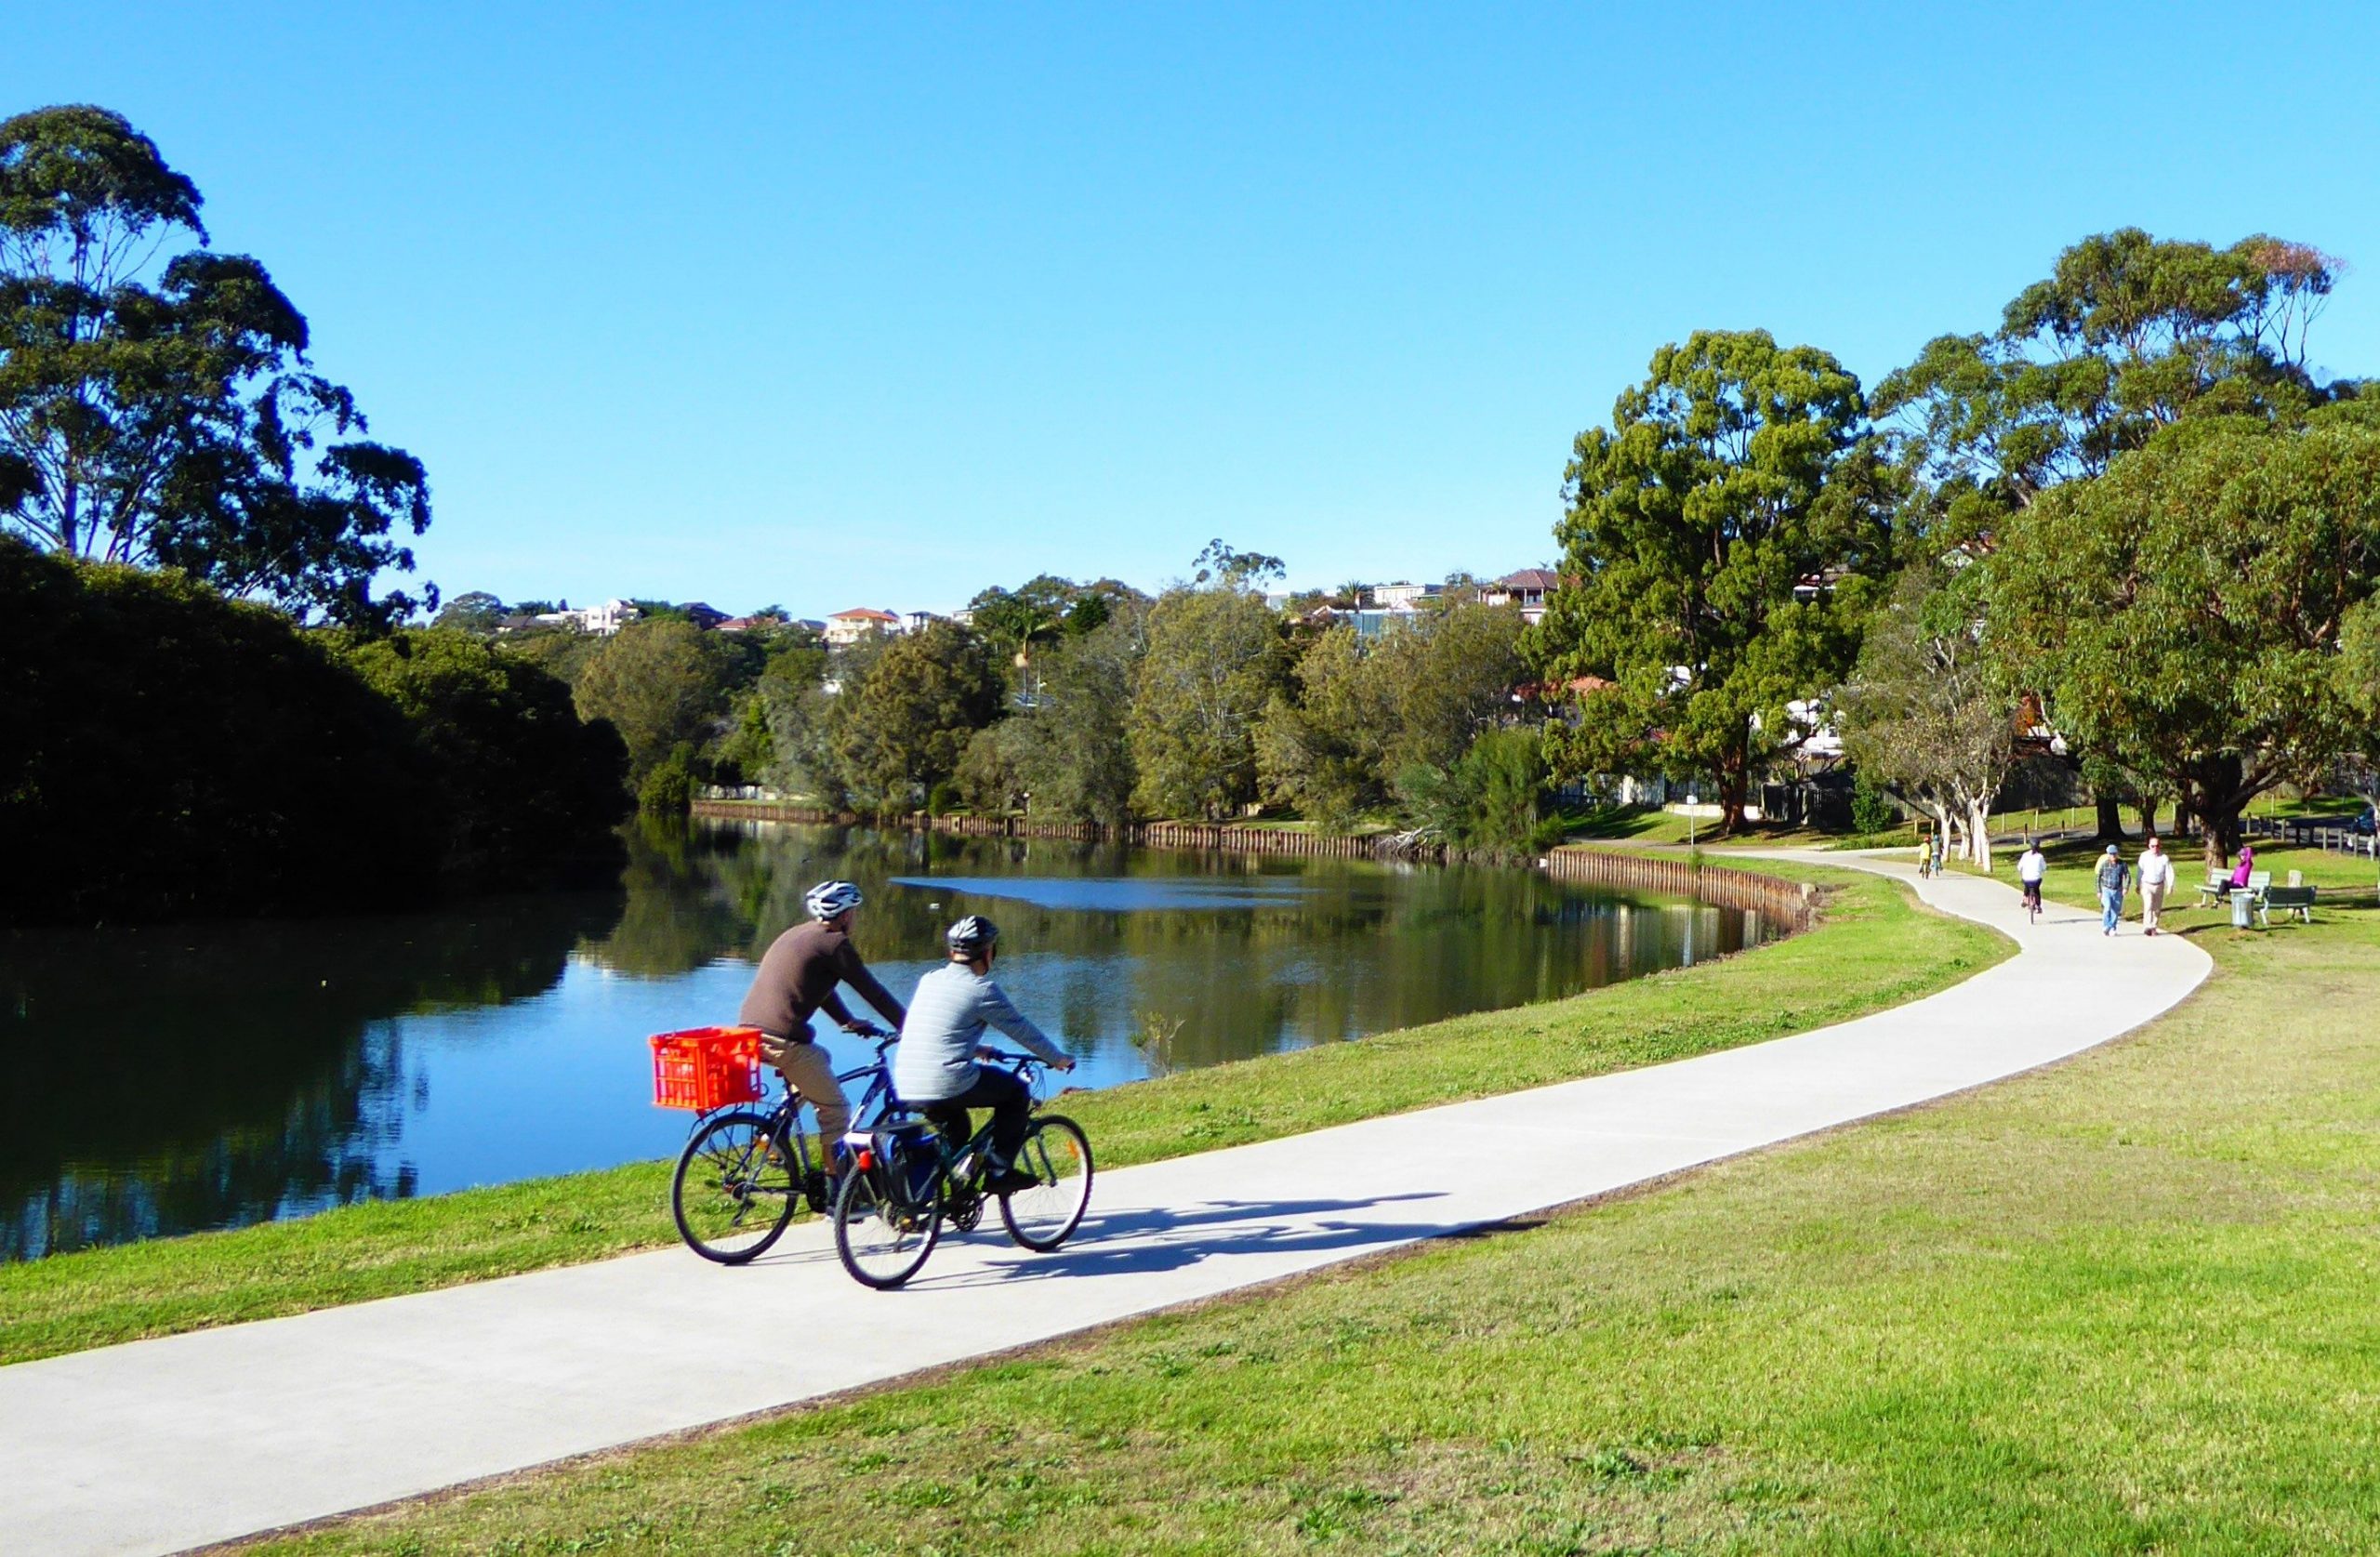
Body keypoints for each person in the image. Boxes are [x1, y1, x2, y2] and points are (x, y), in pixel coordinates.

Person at [736, 880, 908, 1188]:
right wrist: (910, 1028)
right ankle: (838, 1188)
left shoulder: (797, 934)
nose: (855, 918)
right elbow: (874, 992)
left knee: (820, 1059)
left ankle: (772, 1133)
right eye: (854, 912)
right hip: (783, 1040)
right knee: (836, 1109)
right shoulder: (834, 943)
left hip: (750, 1033)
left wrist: (847, 1020)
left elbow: (820, 987)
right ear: (844, 915)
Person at [892, 915, 1076, 1194]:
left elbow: (934, 1033)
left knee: (958, 1130)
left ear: (952, 951)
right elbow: (1020, 1029)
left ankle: (931, 1200)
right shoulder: (982, 990)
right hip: (947, 1080)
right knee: (1016, 1093)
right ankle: (999, 1172)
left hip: (907, 1082)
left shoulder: (929, 980)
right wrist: (1057, 1058)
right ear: (988, 952)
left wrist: (976, 1049)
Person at [2135, 835, 2173, 935]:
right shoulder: (2144, 856)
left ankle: (2154, 926)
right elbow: (2140, 871)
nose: (2155, 848)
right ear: (2149, 846)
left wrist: (2170, 886)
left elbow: (2169, 872)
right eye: (2152, 846)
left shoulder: (2164, 858)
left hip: (2159, 885)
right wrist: (2138, 884)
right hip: (2146, 884)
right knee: (2148, 905)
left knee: (2157, 908)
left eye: (2157, 846)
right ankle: (2147, 926)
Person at [2095, 844, 2128, 936]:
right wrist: (2099, 890)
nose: (2113, 856)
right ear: (2108, 854)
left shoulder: (2122, 864)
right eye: (2111, 854)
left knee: (2116, 910)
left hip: (2118, 890)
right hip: (2106, 889)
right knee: (2107, 907)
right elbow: (2098, 877)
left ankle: (2112, 928)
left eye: (2114, 854)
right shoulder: (2104, 864)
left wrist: (2126, 887)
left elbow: (2127, 876)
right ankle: (2106, 926)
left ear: (2117, 854)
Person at [2016, 838, 2046, 917]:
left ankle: (2025, 898)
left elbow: (2019, 867)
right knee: (2036, 890)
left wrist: (2021, 871)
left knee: (2026, 885)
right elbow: (2044, 867)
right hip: (2036, 879)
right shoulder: (2040, 856)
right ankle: (2038, 906)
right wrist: (2042, 870)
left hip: (2026, 878)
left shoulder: (2025, 855)